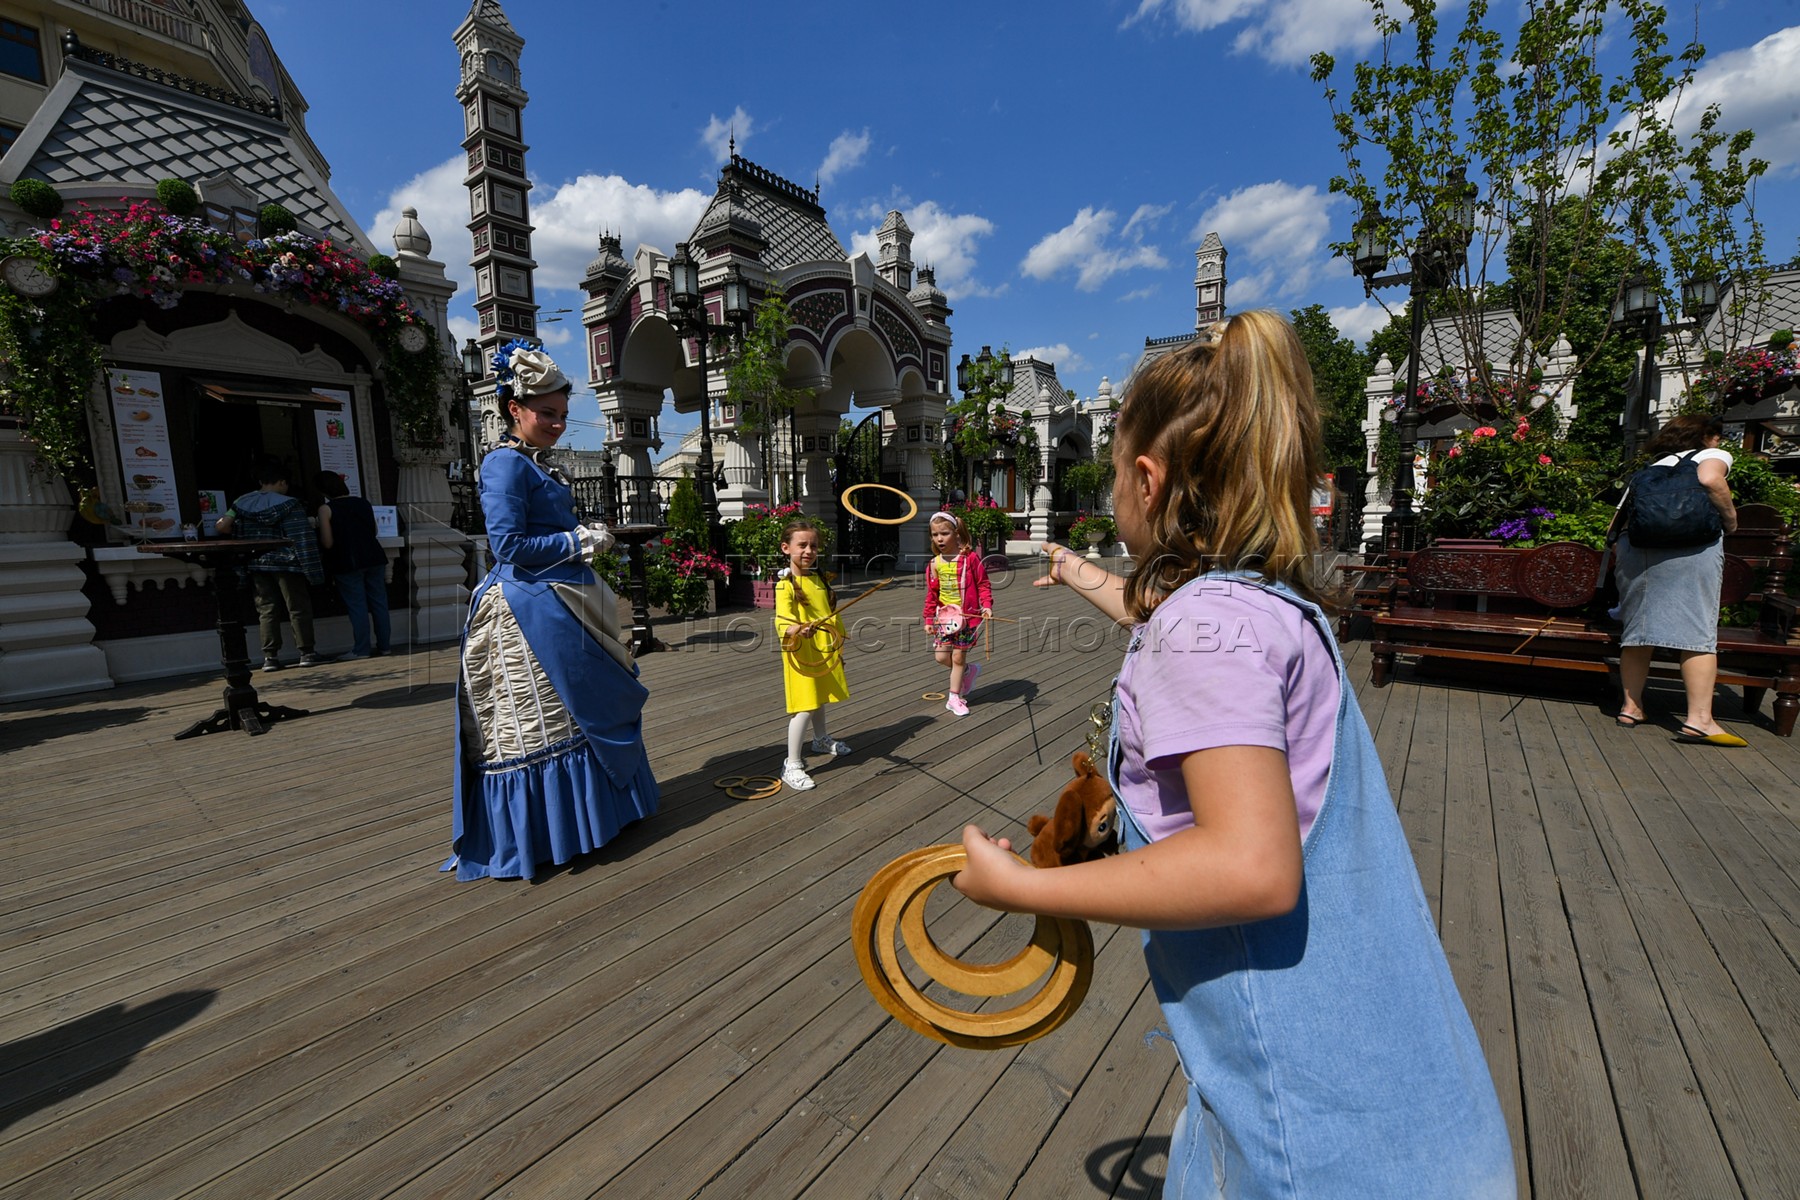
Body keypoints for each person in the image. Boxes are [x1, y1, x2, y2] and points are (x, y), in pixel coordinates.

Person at [952, 312, 1515, 1197]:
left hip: (1310, 1143)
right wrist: (1072, 568)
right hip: (1399, 1114)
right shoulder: (1261, 608)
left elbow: (1251, 869)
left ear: (1147, 479)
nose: (1111, 503)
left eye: (1112, 482)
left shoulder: (1200, 630)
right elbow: (1161, 619)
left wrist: (1023, 887)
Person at [446, 342, 658, 881]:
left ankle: (598, 817)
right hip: (528, 609)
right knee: (544, 717)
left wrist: (583, 537)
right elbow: (509, 547)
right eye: (547, 414)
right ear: (515, 409)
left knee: (585, 703)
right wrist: (576, 539)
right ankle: (551, 833)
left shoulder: (535, 464)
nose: (558, 424)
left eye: (563, 415)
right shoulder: (501, 464)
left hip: (564, 600)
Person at [1614, 413, 1744, 745]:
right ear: (1708, 436)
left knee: (1639, 629)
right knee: (1697, 630)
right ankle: (1700, 719)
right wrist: (1730, 521)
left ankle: (1631, 707)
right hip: (1691, 548)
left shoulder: (1651, 469)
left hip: (1638, 547)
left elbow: (1619, 517)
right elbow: (1710, 480)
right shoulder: (1710, 455)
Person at [215, 460, 326, 671]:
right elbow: (301, 538)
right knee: (298, 607)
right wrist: (313, 569)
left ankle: (270, 657)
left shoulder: (242, 502)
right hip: (287, 564)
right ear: (282, 482)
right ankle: (307, 653)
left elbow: (223, 527)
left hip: (257, 563)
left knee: (266, 609)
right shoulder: (291, 504)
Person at [774, 518, 851, 792]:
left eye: (814, 546)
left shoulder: (817, 579)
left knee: (819, 698)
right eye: (802, 545)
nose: (809, 551)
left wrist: (838, 645)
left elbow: (828, 616)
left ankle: (820, 740)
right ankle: (792, 763)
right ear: (786, 548)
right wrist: (798, 628)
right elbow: (782, 621)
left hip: (824, 649)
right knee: (804, 706)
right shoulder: (785, 584)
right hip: (801, 652)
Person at [921, 510, 993, 715]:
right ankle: (969, 671)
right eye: (935, 535)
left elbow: (983, 583)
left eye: (944, 533)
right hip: (945, 619)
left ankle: (954, 697)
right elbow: (932, 594)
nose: (939, 538)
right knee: (942, 657)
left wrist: (986, 605)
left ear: (957, 534)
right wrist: (928, 618)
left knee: (958, 658)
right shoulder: (935, 564)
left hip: (967, 618)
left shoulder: (969, 559)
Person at [314, 471, 391, 659]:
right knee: (379, 602)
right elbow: (373, 530)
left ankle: (361, 649)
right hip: (374, 556)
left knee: (357, 605)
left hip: (348, 560)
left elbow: (328, 542)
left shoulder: (325, 509)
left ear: (324, 491)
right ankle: (385, 646)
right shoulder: (363, 503)